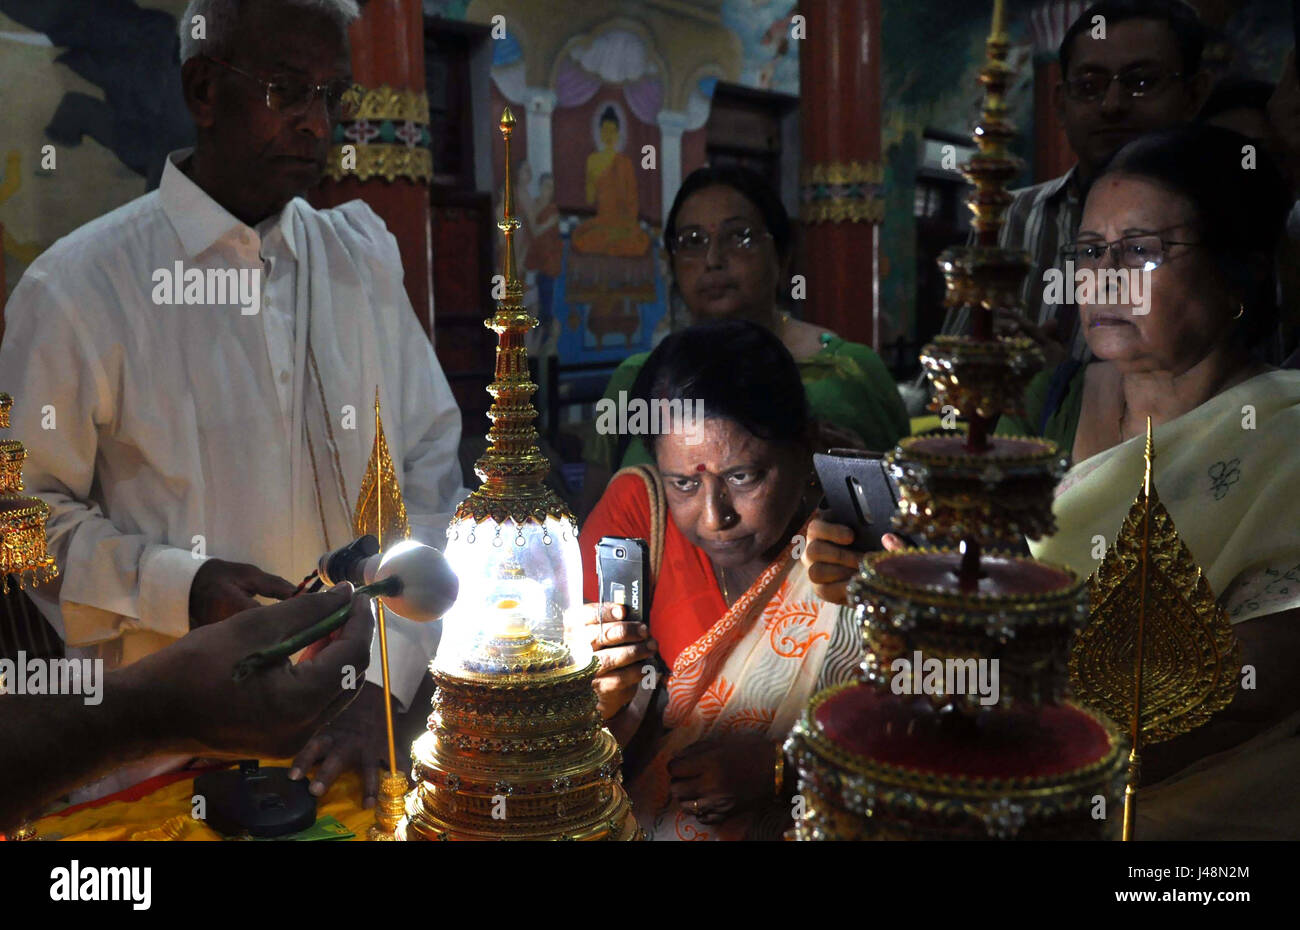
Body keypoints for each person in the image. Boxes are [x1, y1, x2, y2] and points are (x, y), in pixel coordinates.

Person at [0, 0, 468, 806]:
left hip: (353, 744)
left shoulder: (359, 260)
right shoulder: (82, 286)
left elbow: (428, 473)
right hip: (162, 765)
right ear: (203, 90)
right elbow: (17, 522)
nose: (317, 124)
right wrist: (178, 586)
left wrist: (383, 684)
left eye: (332, 96)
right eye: (288, 91)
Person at [807, 125, 1300, 839]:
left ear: (1237, 270)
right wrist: (892, 581)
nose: (1102, 277)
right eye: (1090, 252)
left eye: (1140, 250)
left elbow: (1243, 699)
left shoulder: (1281, 435)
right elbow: (990, 576)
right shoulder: (1053, 397)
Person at [577, 319, 864, 840]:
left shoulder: (857, 546)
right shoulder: (639, 519)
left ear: (805, 446)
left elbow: (948, 741)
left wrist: (787, 770)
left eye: (742, 477)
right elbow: (576, 748)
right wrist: (592, 699)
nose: (714, 517)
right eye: (684, 483)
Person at [581, 164, 909, 517]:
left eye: (740, 236)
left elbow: (903, 518)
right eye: (693, 242)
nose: (713, 260)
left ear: (782, 257)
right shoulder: (636, 381)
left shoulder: (850, 373)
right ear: (672, 265)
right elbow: (598, 516)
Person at [933, 0, 1210, 368]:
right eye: (1090, 86)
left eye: (1141, 82)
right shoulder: (1009, 218)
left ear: (1193, 95)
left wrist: (1063, 388)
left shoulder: (1224, 226)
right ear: (1061, 104)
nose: (1112, 104)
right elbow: (953, 370)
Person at [0, 584, 373, 833]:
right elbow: (53, 513)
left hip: (312, 747)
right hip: (129, 783)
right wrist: (179, 582)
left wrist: (376, 685)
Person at [571, 106, 651, 258]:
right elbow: (590, 199)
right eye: (605, 130)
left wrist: (627, 223)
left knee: (639, 242)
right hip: (603, 221)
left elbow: (633, 201)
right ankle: (612, 239)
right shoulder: (592, 160)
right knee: (582, 239)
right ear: (599, 132)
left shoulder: (625, 163)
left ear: (618, 135)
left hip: (623, 224)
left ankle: (614, 239)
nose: (609, 135)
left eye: (613, 131)